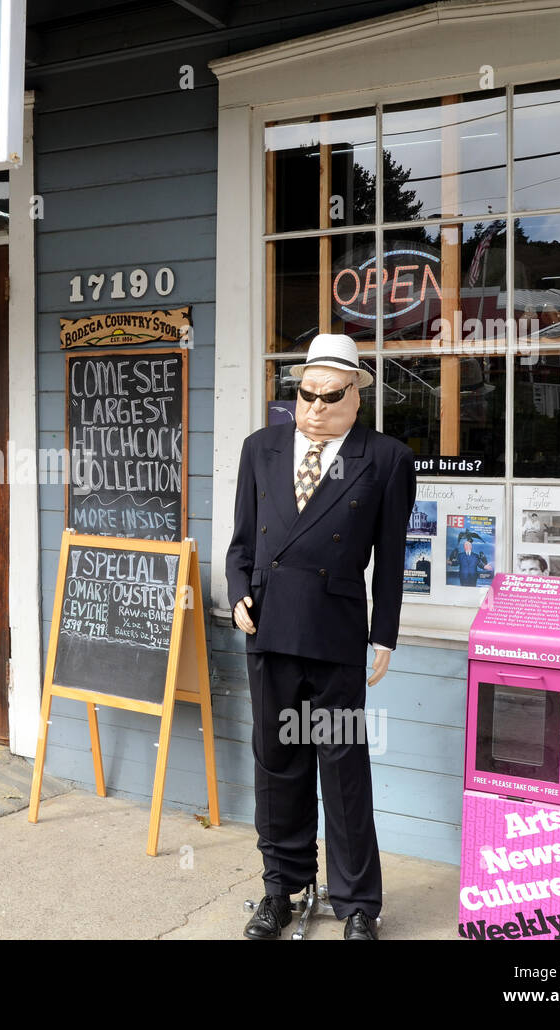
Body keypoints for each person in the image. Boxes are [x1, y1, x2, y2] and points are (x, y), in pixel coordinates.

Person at [226, 333, 416, 941]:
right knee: (277, 765)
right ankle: (281, 889)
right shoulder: (260, 448)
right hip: (272, 630)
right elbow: (242, 544)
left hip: (336, 639)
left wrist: (383, 633)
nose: (313, 410)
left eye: (329, 398)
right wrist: (238, 596)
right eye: (305, 395)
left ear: (356, 396)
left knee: (342, 766)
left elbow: (390, 558)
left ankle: (358, 903)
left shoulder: (384, 459)